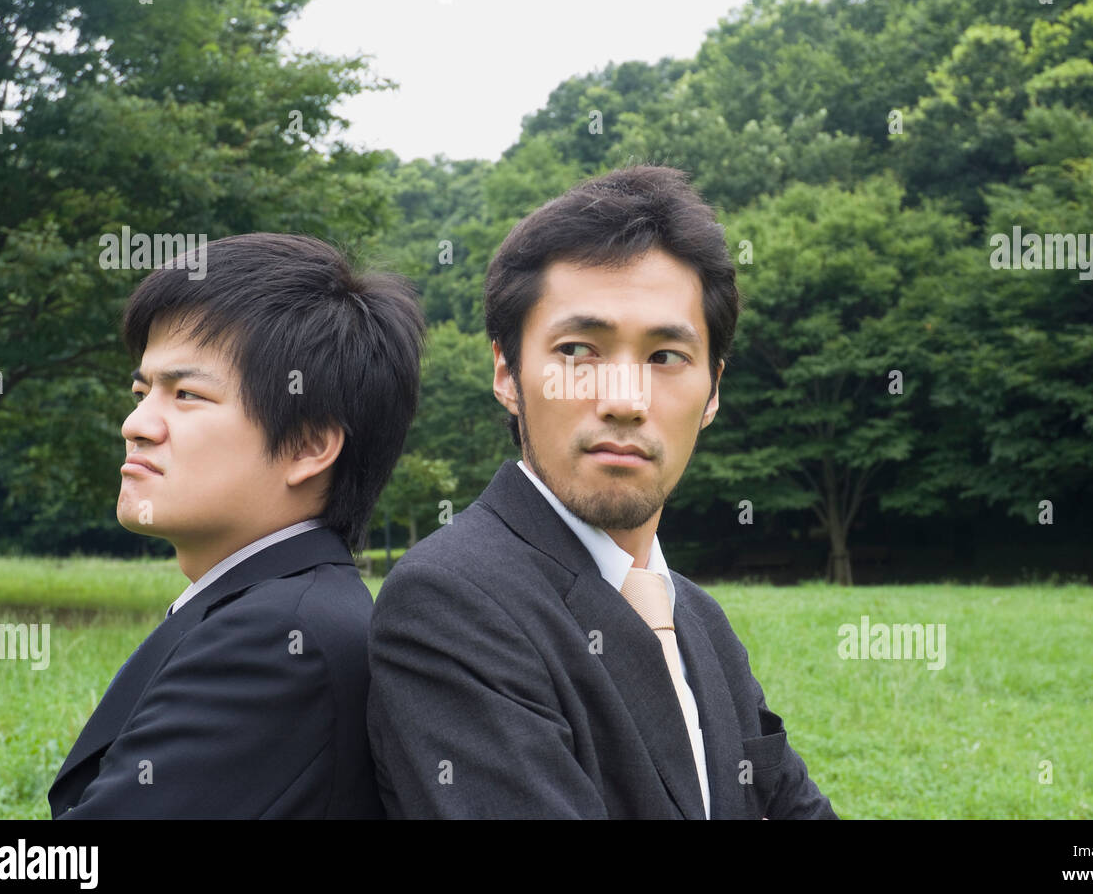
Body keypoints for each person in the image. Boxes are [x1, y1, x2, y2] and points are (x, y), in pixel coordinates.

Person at [367, 166, 838, 818]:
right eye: (579, 349)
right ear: (507, 372)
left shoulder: (701, 622)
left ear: (715, 390)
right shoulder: (449, 604)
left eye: (665, 357)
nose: (624, 400)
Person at [49, 233, 424, 818]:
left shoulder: (276, 640)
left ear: (307, 445)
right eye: (143, 390)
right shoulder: (277, 607)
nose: (137, 423)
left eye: (188, 394)